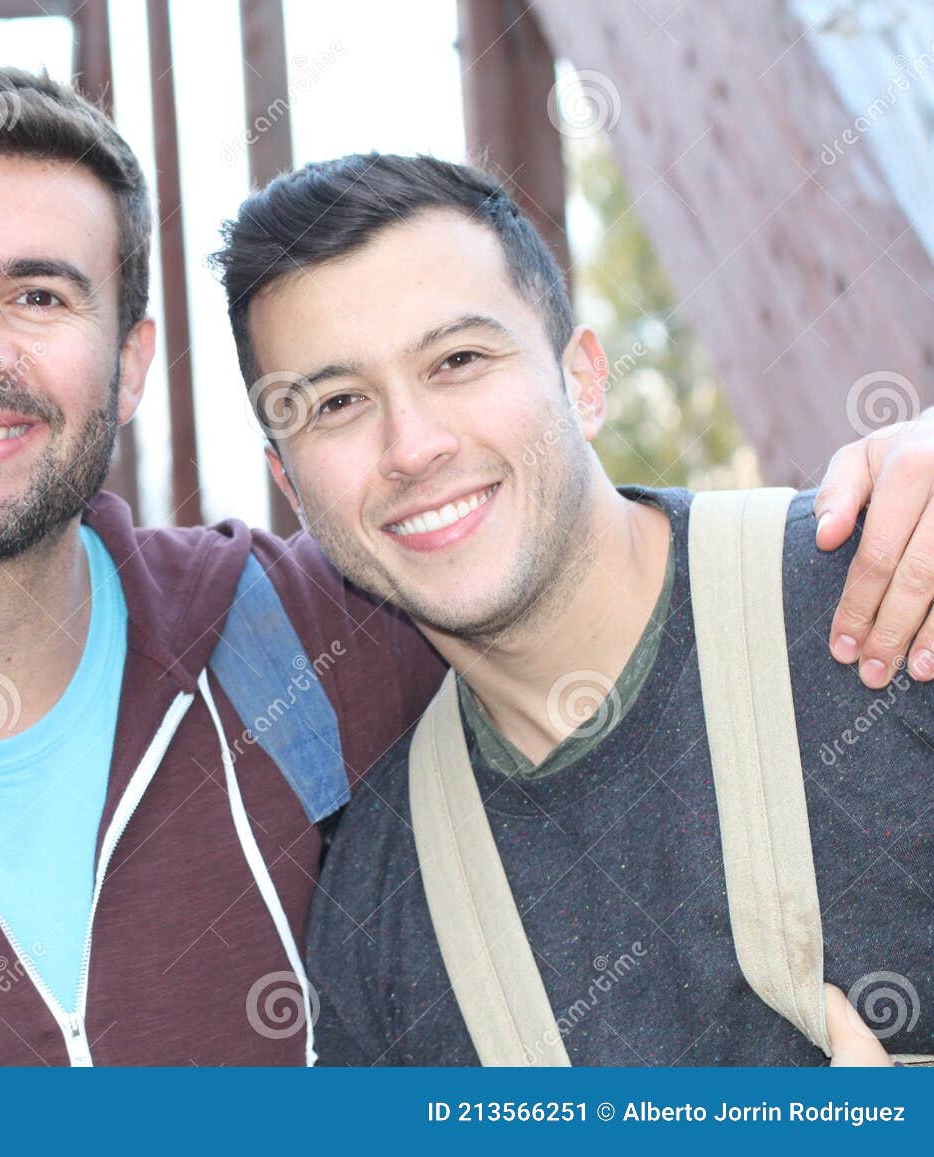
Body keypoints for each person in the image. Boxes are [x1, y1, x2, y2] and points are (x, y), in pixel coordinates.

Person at [0, 64, 934, 1067]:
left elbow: (573, 559)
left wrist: (901, 473)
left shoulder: (309, 642)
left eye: (39, 292)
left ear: (129, 362)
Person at [210, 151, 934, 1065]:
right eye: (338, 402)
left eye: (459, 359)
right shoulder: (382, 912)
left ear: (584, 379)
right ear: (291, 483)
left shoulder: (889, 597)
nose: (412, 446)